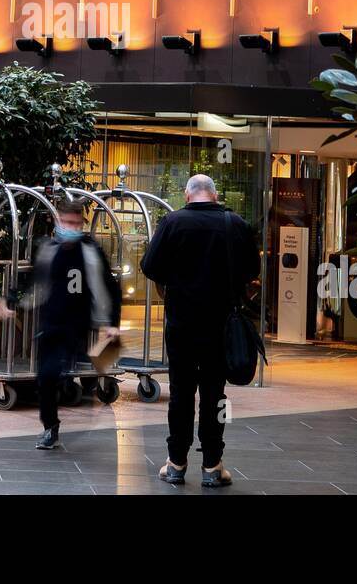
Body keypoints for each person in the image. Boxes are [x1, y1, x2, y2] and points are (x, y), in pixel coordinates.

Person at [140, 174, 260, 488]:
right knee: (214, 395)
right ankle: (212, 465)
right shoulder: (235, 223)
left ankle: (176, 463)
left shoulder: (172, 222)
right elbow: (252, 271)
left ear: (187, 194)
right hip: (221, 326)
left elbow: (150, 267)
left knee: (180, 394)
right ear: (215, 195)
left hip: (181, 323)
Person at [0, 197, 120, 450]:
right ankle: (50, 426)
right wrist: (9, 300)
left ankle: (71, 385)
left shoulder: (91, 250)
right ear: (57, 221)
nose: (71, 228)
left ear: (81, 224)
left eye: (76, 223)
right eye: (66, 222)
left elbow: (109, 287)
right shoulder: (48, 249)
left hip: (81, 324)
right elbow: (32, 281)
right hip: (51, 321)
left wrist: (112, 322)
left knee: (63, 369)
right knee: (46, 376)